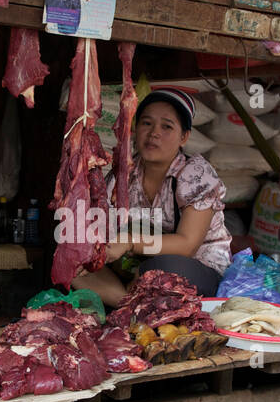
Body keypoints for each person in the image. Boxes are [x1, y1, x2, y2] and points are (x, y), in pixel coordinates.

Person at [73, 89, 232, 306]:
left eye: (167, 126)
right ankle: (130, 303)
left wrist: (129, 242)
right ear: (136, 129)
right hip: (137, 267)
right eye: (146, 123)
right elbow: (103, 223)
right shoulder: (125, 173)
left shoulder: (196, 174)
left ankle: (132, 299)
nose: (154, 133)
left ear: (184, 137)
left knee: (161, 270)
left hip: (196, 268)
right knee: (73, 255)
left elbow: (187, 245)